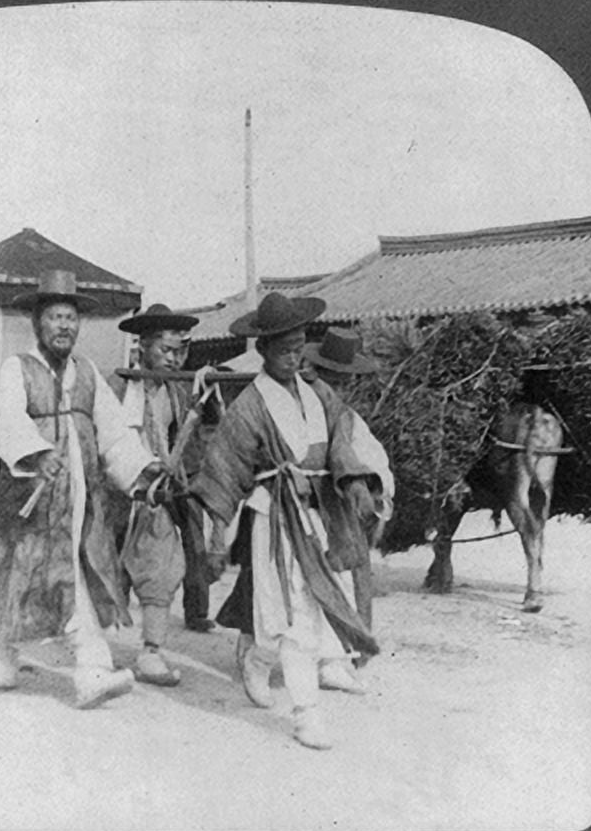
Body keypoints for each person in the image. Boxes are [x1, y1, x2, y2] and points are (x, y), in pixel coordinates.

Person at [190, 293, 387, 750]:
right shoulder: (249, 405)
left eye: (299, 349)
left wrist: (355, 482)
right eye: (284, 351)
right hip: (276, 517)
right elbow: (223, 471)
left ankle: (257, 661)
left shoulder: (319, 393)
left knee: (309, 606)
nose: (293, 359)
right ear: (263, 350)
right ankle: (306, 714)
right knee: (291, 610)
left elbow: (340, 442)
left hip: (321, 513)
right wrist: (216, 537)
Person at [0, 270, 159, 708]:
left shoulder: (88, 373)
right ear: (37, 323)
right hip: (28, 497)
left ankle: (85, 670)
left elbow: (113, 433)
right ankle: (12, 656)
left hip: (80, 497)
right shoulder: (16, 368)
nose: (64, 326)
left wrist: (142, 471)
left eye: (71, 318)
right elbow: (8, 420)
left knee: (74, 572)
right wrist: (37, 454)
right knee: (15, 574)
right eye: (55, 317)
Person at [108, 304, 218, 686]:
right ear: (143, 347)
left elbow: (191, 432)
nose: (173, 359)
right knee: (105, 570)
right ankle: (93, 649)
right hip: (117, 492)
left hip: (156, 495)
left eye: (179, 351)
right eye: (165, 351)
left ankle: (151, 652)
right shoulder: (119, 386)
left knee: (161, 568)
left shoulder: (175, 390)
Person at [301, 328, 395, 631]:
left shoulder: (349, 418)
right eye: (330, 380)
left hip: (336, 507)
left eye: (343, 382)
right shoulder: (292, 406)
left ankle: (352, 642)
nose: (335, 389)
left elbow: (375, 462)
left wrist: (369, 487)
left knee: (347, 574)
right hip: (296, 502)